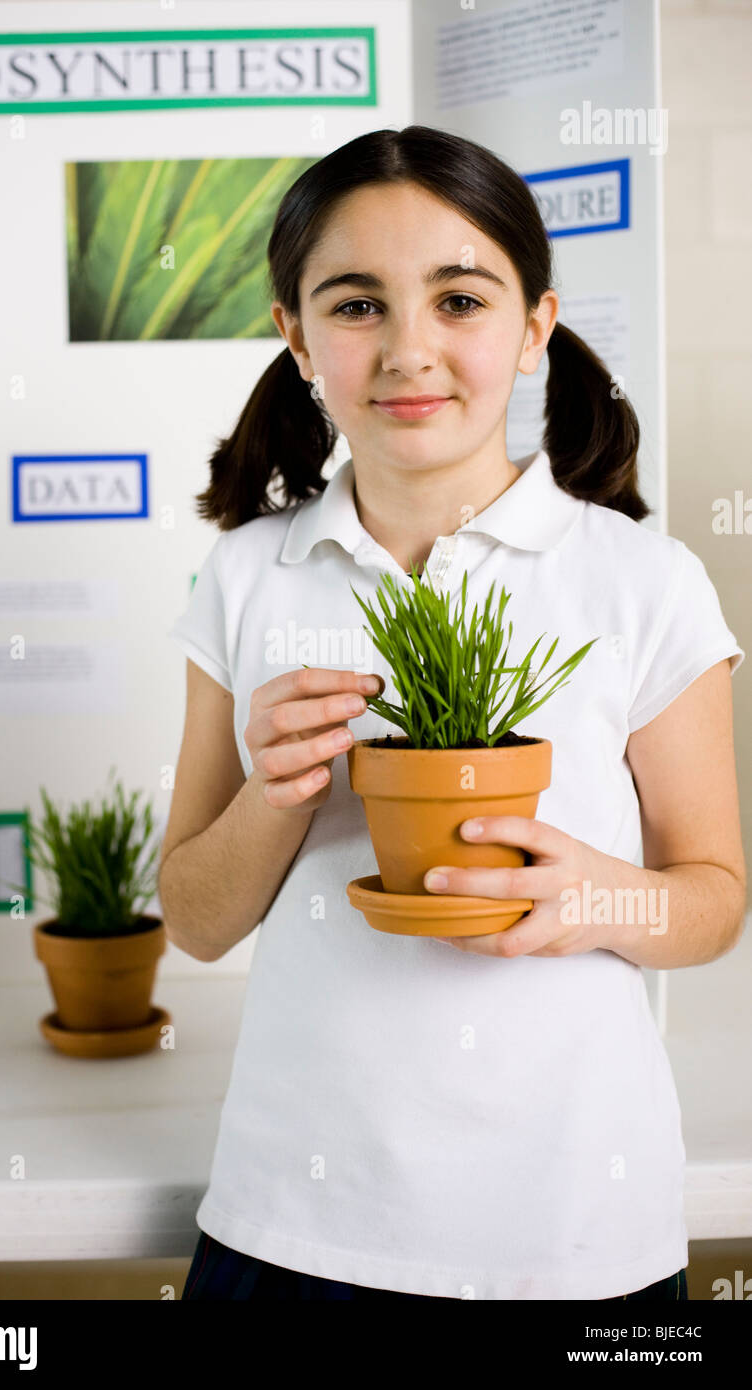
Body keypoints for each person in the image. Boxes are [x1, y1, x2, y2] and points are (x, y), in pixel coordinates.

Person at [160, 126, 745, 1300]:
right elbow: (194, 919)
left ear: (533, 327)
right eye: (357, 304)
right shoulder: (244, 577)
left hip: (580, 1238)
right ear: (294, 334)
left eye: (460, 299)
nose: (408, 350)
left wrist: (591, 894)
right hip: (295, 1228)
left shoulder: (640, 580)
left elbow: (712, 900)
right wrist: (278, 795)